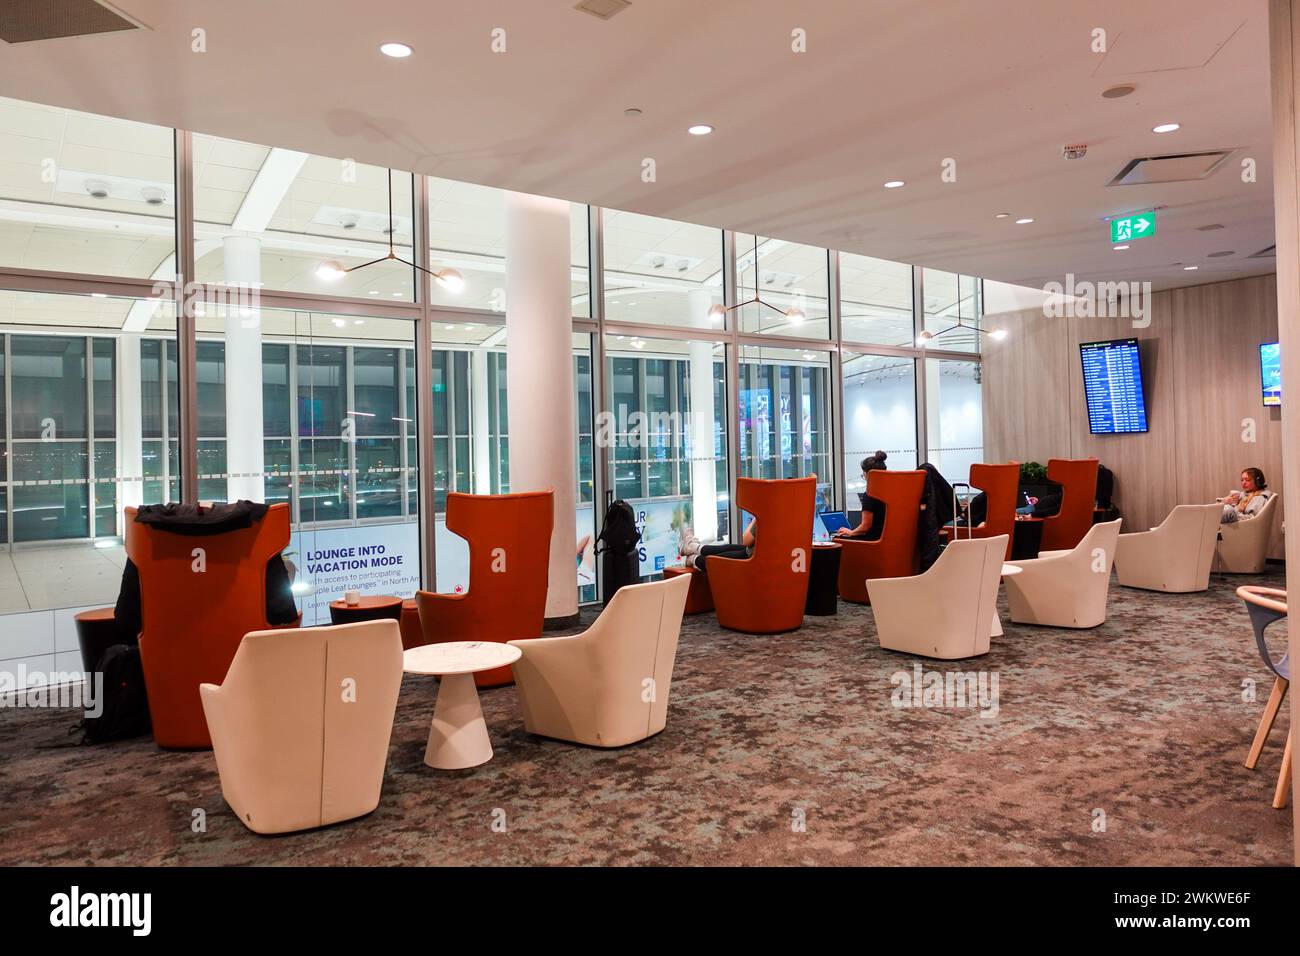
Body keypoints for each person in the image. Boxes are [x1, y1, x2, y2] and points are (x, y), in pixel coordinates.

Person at [677, 472, 818, 574]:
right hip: (772, 559)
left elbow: (746, 540)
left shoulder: (772, 514)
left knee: (715, 560)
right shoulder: (801, 514)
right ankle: (692, 547)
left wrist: (758, 516)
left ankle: (693, 559)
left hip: (755, 561)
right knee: (728, 548)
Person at [833, 452, 889, 540]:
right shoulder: (891, 493)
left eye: (863, 474)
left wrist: (851, 532)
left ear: (868, 474)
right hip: (890, 539)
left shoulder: (870, 495)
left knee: (837, 539)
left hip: (873, 541)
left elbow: (865, 527)